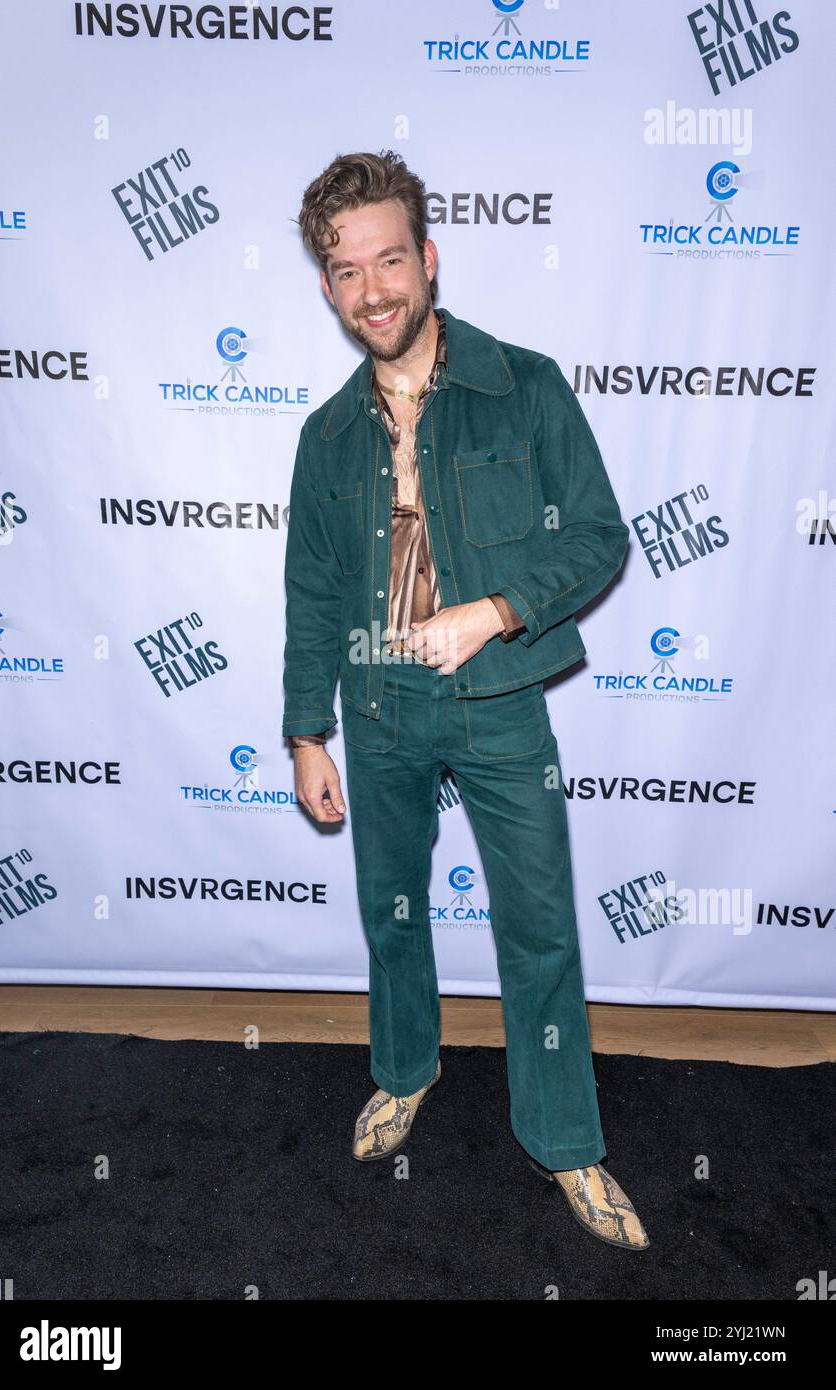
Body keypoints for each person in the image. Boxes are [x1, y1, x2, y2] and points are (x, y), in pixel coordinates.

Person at [281, 150, 649, 1252]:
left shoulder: (522, 384)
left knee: (536, 929)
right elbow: (307, 594)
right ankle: (402, 1073)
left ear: (427, 259)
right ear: (328, 287)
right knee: (391, 916)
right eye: (345, 271)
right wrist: (307, 731)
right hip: (378, 707)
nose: (371, 290)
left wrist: (494, 606)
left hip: (497, 699)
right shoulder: (324, 436)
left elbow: (596, 537)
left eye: (388, 259)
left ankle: (566, 1141)